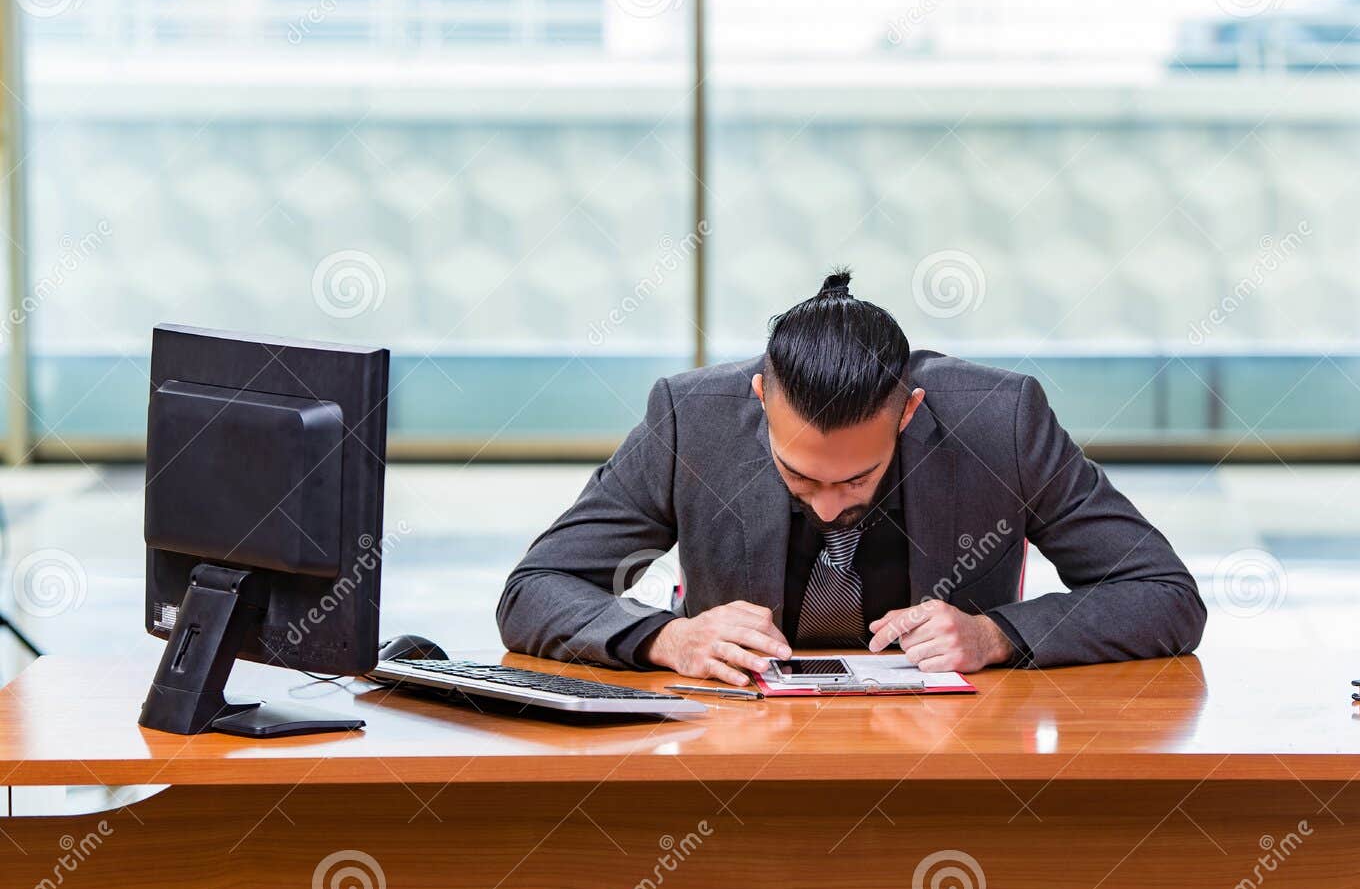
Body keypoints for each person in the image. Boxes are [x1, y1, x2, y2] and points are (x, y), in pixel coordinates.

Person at [498, 271, 1205, 683]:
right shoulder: (691, 419)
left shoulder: (1002, 421)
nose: (832, 507)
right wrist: (667, 638)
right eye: (801, 479)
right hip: (734, 755)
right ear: (760, 402)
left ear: (910, 413)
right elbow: (536, 591)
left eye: (858, 479)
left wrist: (996, 636)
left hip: (952, 757)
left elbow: (1163, 596)